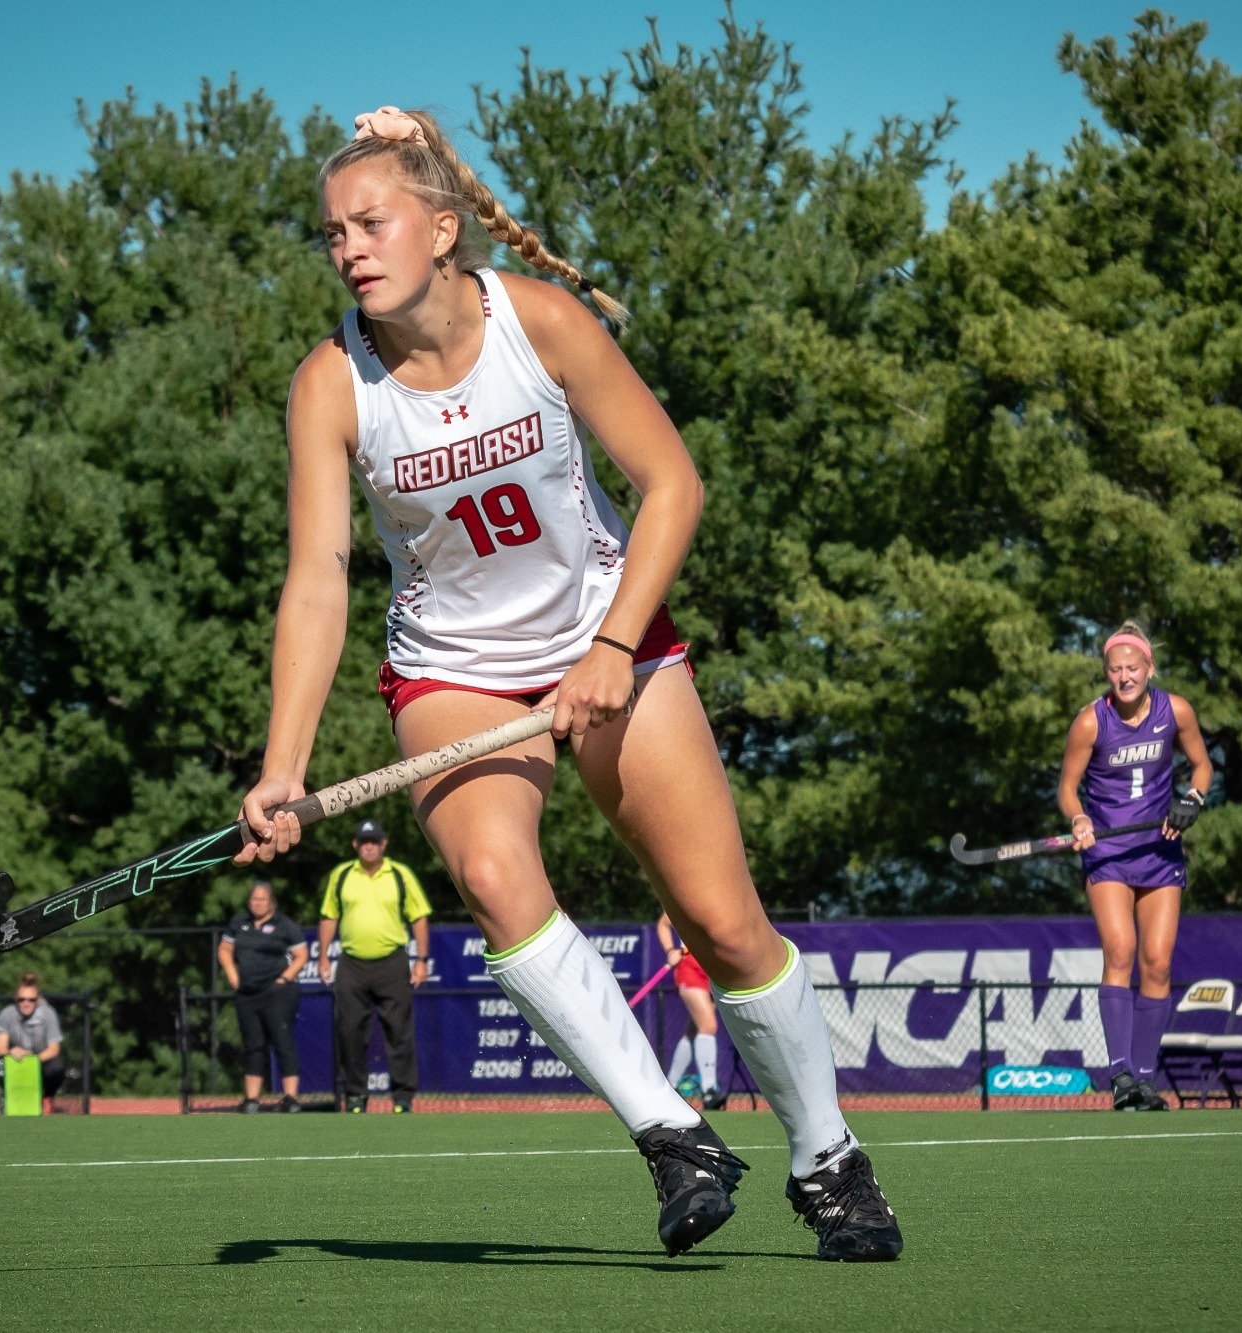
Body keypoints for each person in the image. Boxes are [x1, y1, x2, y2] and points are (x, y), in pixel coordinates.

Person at [235, 106, 898, 1261]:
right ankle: (672, 1136)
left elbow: (672, 484)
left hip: (609, 635)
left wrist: (612, 646)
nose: (348, 248)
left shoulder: (538, 322)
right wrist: (282, 764)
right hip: (454, 667)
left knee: (722, 922)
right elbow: (317, 579)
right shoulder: (330, 384)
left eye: (371, 222)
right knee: (495, 877)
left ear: (442, 227)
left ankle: (827, 1160)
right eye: (332, 232)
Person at [1058, 621, 1213, 1113]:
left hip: (1160, 851)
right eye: (1115, 670)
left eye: (1132, 668)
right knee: (1121, 950)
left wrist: (1192, 799)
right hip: (1108, 853)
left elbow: (1202, 766)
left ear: (1149, 667)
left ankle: (1145, 1080)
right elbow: (1067, 788)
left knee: (1159, 962)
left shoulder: (1176, 710)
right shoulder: (1091, 722)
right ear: (1106, 673)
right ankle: (1121, 1074)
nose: (1124, 677)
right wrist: (1079, 818)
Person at [316, 818, 432, 1113]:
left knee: (399, 1031)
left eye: (374, 842)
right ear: (355, 845)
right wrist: (323, 956)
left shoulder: (400, 874)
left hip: (392, 961)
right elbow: (329, 915)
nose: (369, 847)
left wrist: (421, 960)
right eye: (364, 842)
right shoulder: (342, 874)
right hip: (352, 963)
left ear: (384, 844)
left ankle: (403, 1097)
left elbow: (419, 916)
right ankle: (356, 1095)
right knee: (350, 1031)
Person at [219, 881, 309, 1112]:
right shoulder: (239, 923)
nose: (257, 903)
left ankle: (290, 1098)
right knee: (253, 1044)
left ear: (271, 902)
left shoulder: (285, 925)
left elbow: (301, 955)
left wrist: (284, 980)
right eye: (254, 899)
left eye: (262, 899)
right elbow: (225, 950)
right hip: (247, 993)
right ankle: (252, 1099)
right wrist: (233, 976)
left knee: (282, 1040)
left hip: (278, 993)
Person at [657, 912, 724, 1110]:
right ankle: (709, 1090)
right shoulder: (690, 897)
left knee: (693, 1032)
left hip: (714, 968)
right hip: (690, 967)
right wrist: (670, 950)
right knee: (708, 1026)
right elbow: (663, 923)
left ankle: (671, 1087)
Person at [0, 973, 64, 1112]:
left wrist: (32, 1060)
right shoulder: (7, 1014)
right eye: (21, 999)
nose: (26, 1003)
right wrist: (11, 1052)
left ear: (38, 1000)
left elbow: (54, 1049)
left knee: (56, 1067)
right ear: (16, 999)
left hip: (40, 1061)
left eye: (31, 1000)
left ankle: (46, 1097)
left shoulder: (48, 1014)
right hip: (14, 1061)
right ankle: (8, 1098)